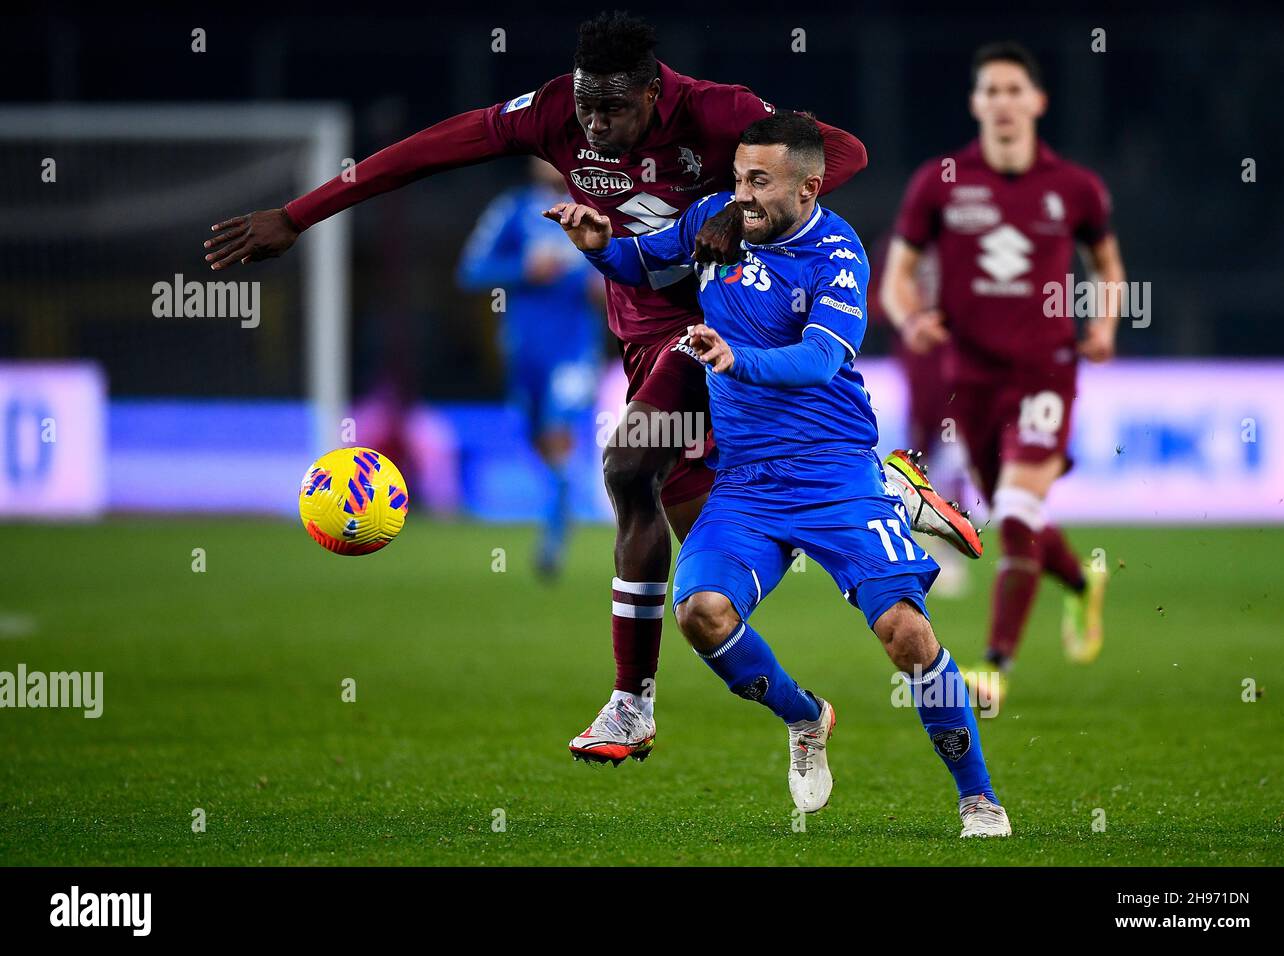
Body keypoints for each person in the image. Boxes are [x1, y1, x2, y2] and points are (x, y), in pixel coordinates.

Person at [204, 11, 973, 765]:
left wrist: (741, 215)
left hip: (728, 319)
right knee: (703, 563)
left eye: (612, 108)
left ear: (653, 94)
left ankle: (631, 702)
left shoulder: (719, 111)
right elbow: (426, 152)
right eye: (585, 107)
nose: (594, 125)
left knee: (626, 465)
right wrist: (300, 216)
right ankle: (814, 680)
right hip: (642, 326)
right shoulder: (550, 115)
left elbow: (843, 154)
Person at [546, 112, 1010, 837]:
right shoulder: (713, 219)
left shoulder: (838, 253)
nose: (743, 195)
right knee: (701, 614)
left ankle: (978, 798)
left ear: (809, 188)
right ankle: (804, 717)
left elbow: (823, 359)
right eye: (738, 178)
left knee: (905, 634)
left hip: (833, 475)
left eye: (760, 182)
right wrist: (601, 248)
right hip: (748, 484)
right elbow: (647, 262)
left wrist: (737, 360)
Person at [880, 42, 1128, 708]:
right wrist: (910, 320)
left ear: (1037, 102)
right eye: (990, 90)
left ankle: (994, 667)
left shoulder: (1074, 188)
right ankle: (1081, 583)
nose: (1003, 102)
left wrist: (1102, 326)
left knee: (1016, 515)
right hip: (974, 380)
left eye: (1015, 89)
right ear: (976, 104)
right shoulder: (940, 182)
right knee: (1012, 520)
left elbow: (1107, 266)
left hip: (1047, 374)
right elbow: (896, 278)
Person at [458, 157, 604, 578]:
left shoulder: (598, 210)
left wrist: (608, 285)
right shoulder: (514, 209)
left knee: (558, 430)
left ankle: (553, 544)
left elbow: (626, 272)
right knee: (534, 435)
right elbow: (470, 271)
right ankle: (559, 498)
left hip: (574, 349)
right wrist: (523, 268)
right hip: (524, 349)